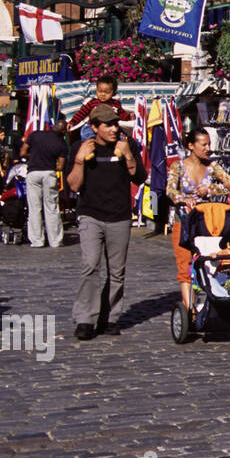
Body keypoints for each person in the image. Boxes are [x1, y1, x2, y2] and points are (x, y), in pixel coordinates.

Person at [65, 104, 147, 340]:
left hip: (119, 216)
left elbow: (140, 177)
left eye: (115, 124)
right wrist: (80, 160)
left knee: (117, 271)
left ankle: (109, 317)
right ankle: (85, 319)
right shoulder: (80, 148)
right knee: (90, 265)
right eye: (108, 125)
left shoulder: (126, 145)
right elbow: (73, 185)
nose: (113, 129)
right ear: (94, 127)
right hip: (90, 214)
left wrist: (129, 155)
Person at [166, 129, 230, 309]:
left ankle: (211, 302)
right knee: (184, 266)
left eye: (209, 144)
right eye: (203, 144)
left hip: (207, 223)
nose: (208, 148)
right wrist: (183, 199)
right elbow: (170, 190)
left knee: (211, 262)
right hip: (183, 221)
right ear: (191, 145)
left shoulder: (212, 167)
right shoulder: (178, 166)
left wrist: (210, 190)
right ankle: (189, 309)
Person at [21, 115, 69, 248]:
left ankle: (37, 240)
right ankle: (55, 240)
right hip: (49, 173)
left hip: (33, 172)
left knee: (34, 208)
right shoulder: (61, 144)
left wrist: (34, 156)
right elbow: (60, 166)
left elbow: (23, 152)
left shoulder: (35, 135)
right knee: (52, 207)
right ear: (63, 131)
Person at [69, 76, 129, 141]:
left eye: (107, 92)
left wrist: (129, 117)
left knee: (123, 137)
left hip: (110, 126)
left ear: (114, 93)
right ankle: (92, 146)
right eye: (100, 91)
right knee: (86, 133)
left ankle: (119, 149)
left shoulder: (115, 104)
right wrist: (72, 122)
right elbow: (81, 113)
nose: (103, 94)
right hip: (93, 126)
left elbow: (122, 114)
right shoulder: (92, 103)